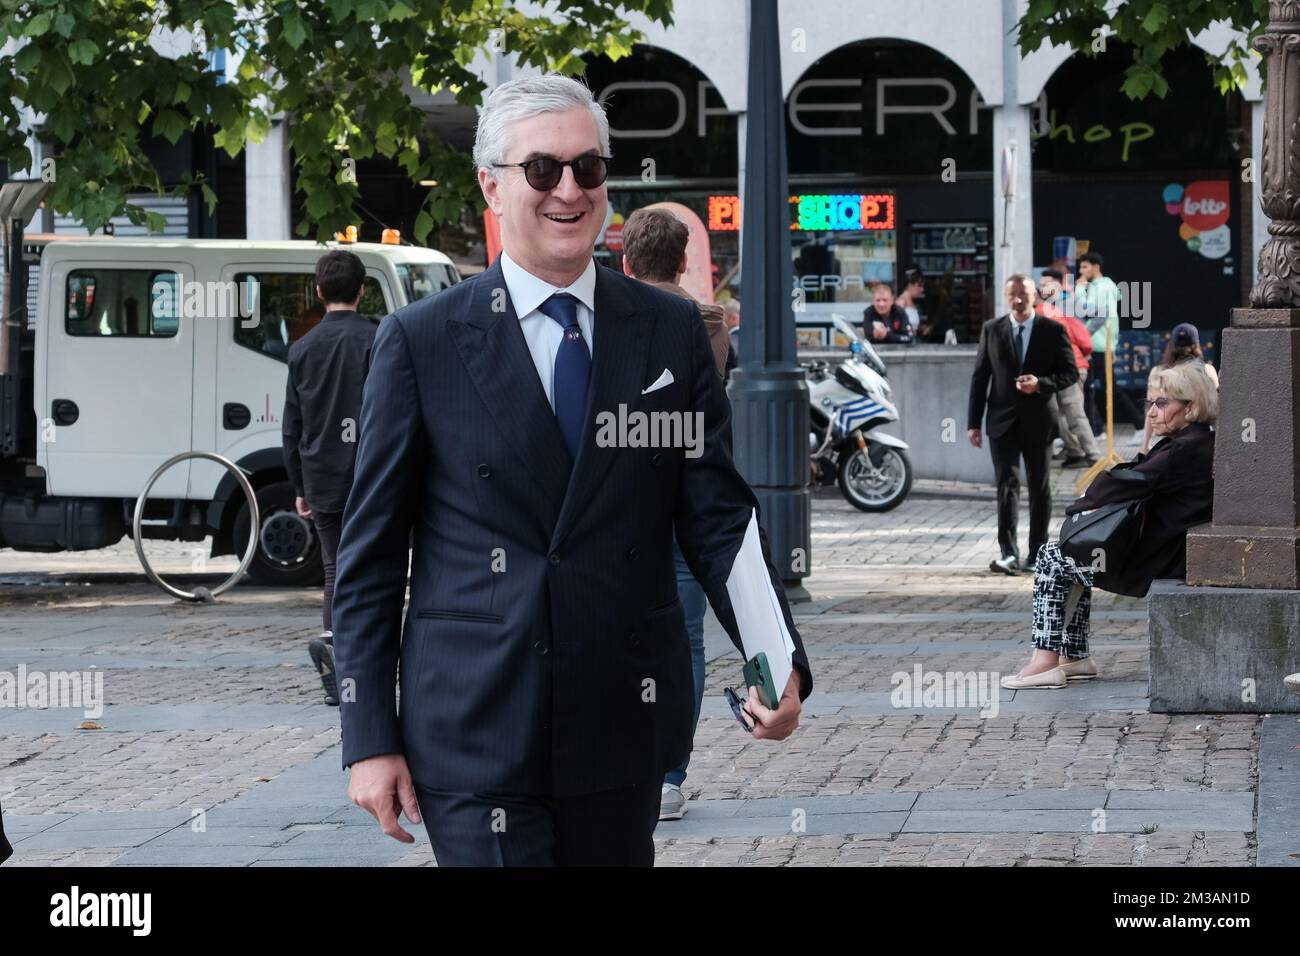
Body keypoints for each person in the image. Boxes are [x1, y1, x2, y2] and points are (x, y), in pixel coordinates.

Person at [330, 73, 813, 867]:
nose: (569, 190)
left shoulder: (667, 332)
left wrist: (778, 659)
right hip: (475, 728)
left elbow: (717, 518)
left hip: (621, 718)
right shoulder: (421, 342)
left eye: (588, 169)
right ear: (490, 184)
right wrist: (368, 738)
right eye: (542, 169)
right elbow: (371, 558)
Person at [1000, 362, 1217, 688]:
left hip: (1158, 557)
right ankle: (1073, 656)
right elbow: (1139, 473)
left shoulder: (1185, 448)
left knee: (1052, 556)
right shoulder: (1193, 441)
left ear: (1191, 407)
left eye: (1162, 403)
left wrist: (1082, 504)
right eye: (1150, 403)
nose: (1152, 413)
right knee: (1073, 552)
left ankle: (1045, 661)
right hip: (1167, 549)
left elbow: (1131, 480)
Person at [619, 207, 731, 821]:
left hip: (622, 504)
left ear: (627, 262)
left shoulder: (607, 321)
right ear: (684, 262)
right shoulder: (711, 324)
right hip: (686, 502)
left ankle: (628, 764)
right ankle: (670, 775)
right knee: (686, 639)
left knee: (612, 632)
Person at [281, 250, 376, 706]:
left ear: (318, 293)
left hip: (322, 477)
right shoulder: (378, 340)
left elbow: (291, 426)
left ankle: (336, 646)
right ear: (363, 289)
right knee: (377, 565)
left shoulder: (301, 349)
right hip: (372, 473)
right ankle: (367, 661)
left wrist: (300, 486)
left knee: (334, 566)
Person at [967, 274, 1078, 575]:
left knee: (1039, 486)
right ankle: (1008, 553)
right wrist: (972, 423)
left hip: (1038, 420)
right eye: (1013, 294)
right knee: (1007, 485)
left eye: (1024, 294)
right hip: (1000, 421)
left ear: (1034, 297)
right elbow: (980, 377)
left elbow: (1071, 373)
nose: (1018, 300)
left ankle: (1038, 553)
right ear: (1006, 297)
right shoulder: (992, 330)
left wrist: (1040, 383)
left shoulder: (1052, 330)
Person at [1038, 268, 1099, 468]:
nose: (1042, 287)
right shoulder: (1053, 309)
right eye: (1041, 284)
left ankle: (1092, 454)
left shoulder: (1058, 308)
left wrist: (1082, 354)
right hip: (1069, 366)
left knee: (1072, 413)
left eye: (1046, 283)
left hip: (1070, 367)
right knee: (1059, 414)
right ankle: (1076, 451)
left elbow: (1086, 332)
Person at [1075, 250, 1143, 432]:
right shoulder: (1109, 286)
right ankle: (1098, 429)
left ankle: (1138, 424)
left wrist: (1080, 289)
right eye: (1080, 267)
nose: (1081, 271)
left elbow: (1084, 310)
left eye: (1085, 266)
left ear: (1096, 267)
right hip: (1102, 343)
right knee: (1097, 388)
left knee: (1100, 389)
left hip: (1097, 344)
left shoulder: (1100, 287)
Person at [1140, 322, 1220, 454]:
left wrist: (1145, 446)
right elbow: (1217, 410)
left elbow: (1151, 409)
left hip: (1172, 444)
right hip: (1202, 440)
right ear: (1195, 345)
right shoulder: (1207, 370)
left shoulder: (1157, 372)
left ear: (1171, 345)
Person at [895, 266, 926, 334]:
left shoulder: (911, 301)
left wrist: (920, 328)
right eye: (919, 285)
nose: (922, 289)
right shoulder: (901, 302)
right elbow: (896, 325)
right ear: (910, 285)